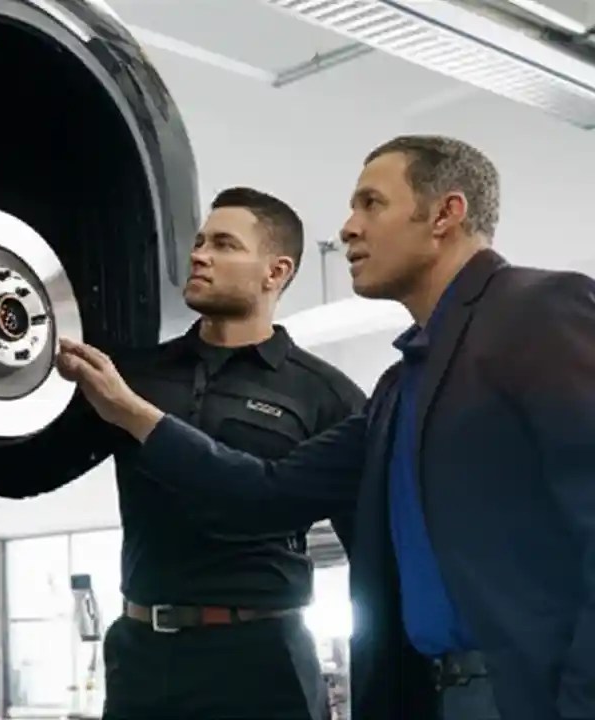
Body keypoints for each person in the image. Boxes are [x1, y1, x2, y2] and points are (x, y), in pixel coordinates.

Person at [54, 135, 595, 720]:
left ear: (446, 214)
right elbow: (266, 495)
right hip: (439, 692)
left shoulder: (539, 309)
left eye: (371, 204)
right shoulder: (396, 391)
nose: (347, 229)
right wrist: (131, 412)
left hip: (526, 690)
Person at [0, 188, 366, 720]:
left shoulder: (325, 395)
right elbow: (31, 472)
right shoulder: (132, 375)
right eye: (199, 241)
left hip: (264, 658)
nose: (199, 254)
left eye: (224, 244)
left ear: (275, 272)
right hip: (143, 655)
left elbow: (367, 544)